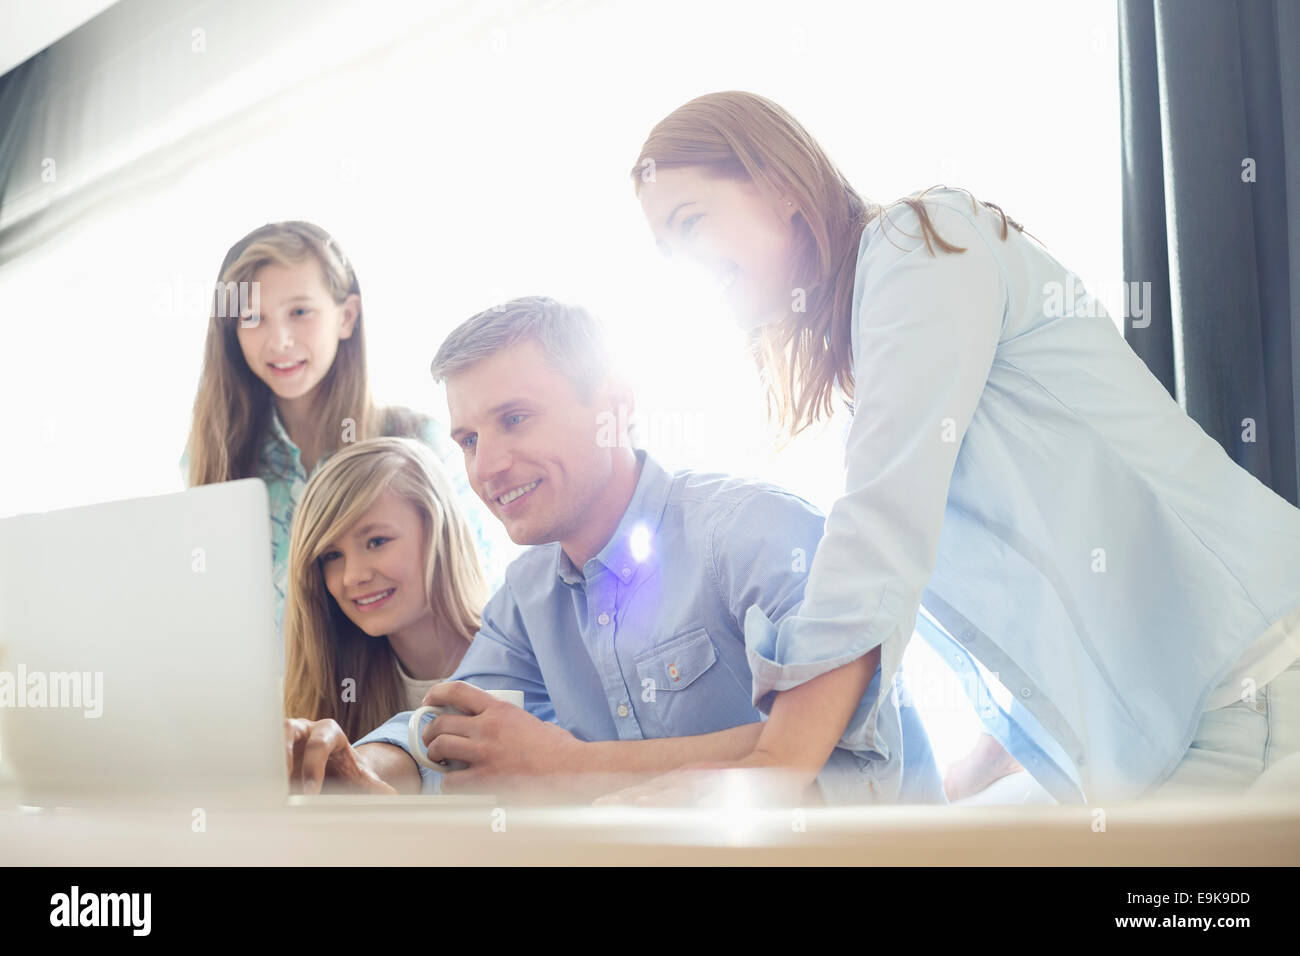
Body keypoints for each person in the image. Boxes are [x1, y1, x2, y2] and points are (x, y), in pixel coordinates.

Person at [618, 89, 1300, 805]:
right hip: (1181, 713)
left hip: (1243, 671)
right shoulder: (879, 353)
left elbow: (880, 529)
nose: (684, 263)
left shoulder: (920, 244)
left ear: (781, 184)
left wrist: (778, 763)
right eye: (667, 249)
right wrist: (989, 756)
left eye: (691, 222)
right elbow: (1034, 577)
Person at [285, 296, 944, 804]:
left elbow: (843, 753)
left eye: (514, 419)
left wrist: (565, 767)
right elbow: (439, 731)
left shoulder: (755, 532)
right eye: (468, 440)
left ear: (615, 407)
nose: (488, 466)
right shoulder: (527, 598)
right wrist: (353, 766)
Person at [180, 221, 504, 640]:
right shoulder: (213, 459)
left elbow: (481, 597)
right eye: (253, 318)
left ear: (346, 316)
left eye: (300, 312)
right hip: (281, 702)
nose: (279, 340)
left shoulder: (418, 441)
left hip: (414, 696)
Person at [282, 437, 488, 753]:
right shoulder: (335, 689)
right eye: (331, 556)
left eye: (377, 541)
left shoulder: (521, 658)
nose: (353, 577)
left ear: (438, 530)